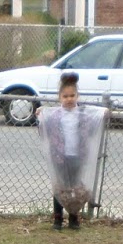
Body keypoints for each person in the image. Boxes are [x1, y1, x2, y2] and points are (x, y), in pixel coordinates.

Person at [37, 72, 104, 231]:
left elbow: (92, 129)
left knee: (75, 188)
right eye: (65, 96)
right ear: (60, 97)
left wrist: (102, 114)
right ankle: (58, 219)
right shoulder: (54, 116)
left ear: (77, 96)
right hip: (59, 157)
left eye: (72, 95)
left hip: (77, 157)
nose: (69, 99)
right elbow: (44, 129)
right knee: (60, 187)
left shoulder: (82, 115)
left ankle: (74, 218)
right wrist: (40, 115)